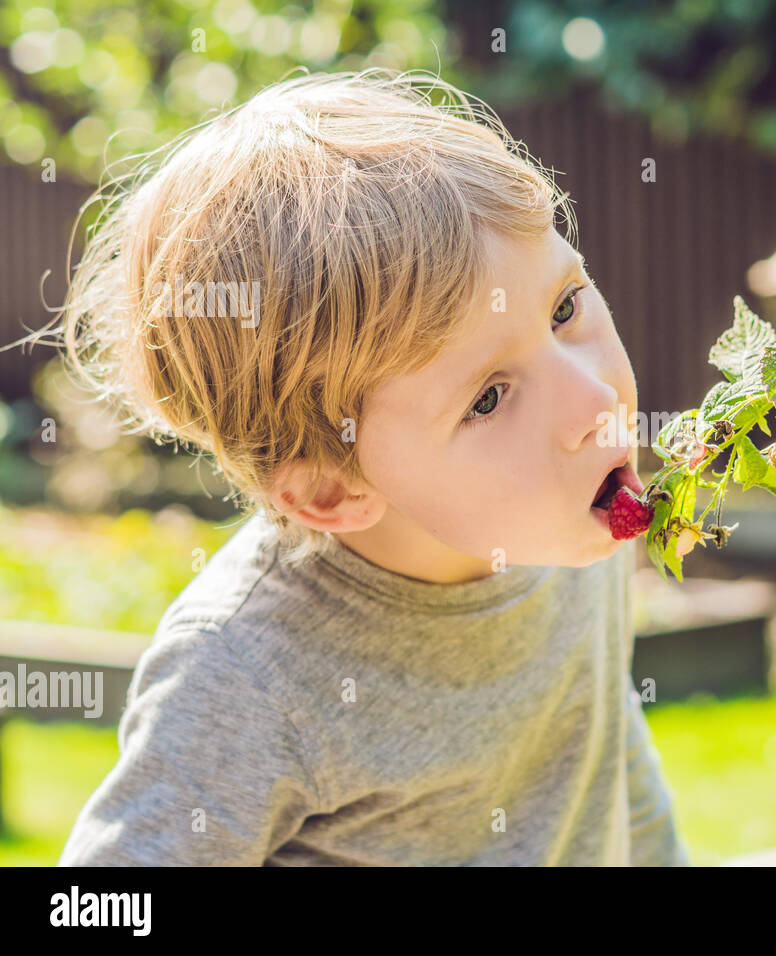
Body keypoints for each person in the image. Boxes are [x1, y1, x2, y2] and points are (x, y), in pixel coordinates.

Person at [47, 68, 688, 865]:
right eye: (488, 399)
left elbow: (607, 766)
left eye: (563, 308)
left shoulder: (570, 540)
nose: (594, 399)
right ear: (328, 488)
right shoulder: (247, 673)